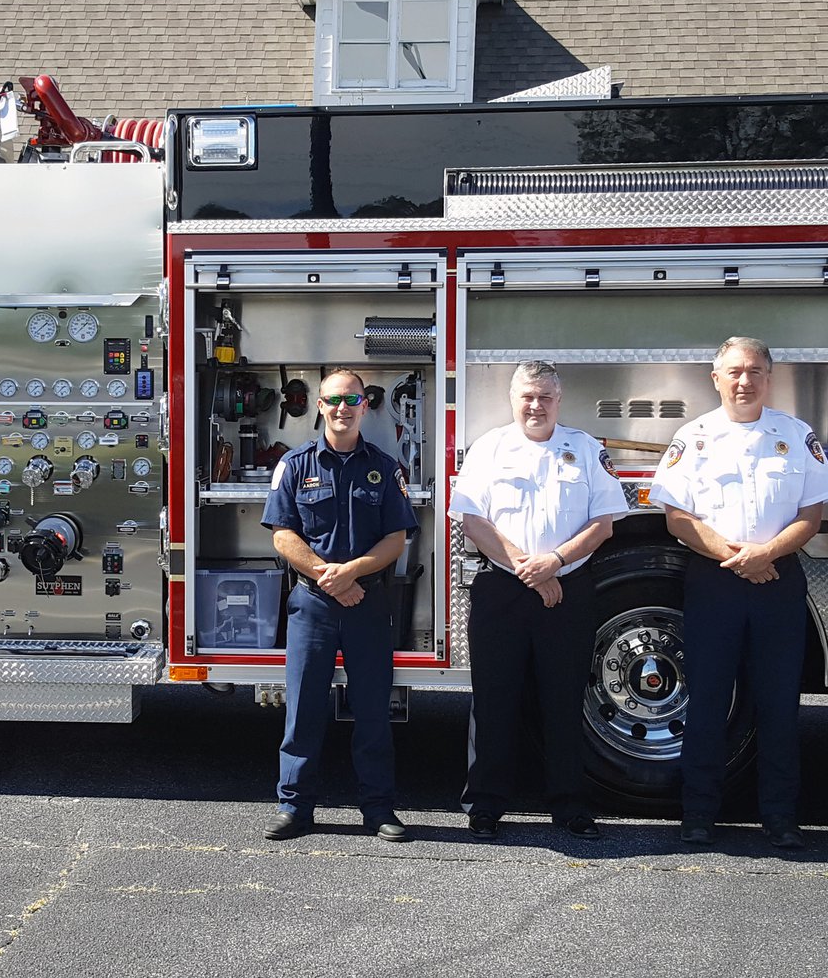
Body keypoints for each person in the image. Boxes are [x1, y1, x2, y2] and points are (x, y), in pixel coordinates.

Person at [649, 337, 828, 849]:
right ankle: (698, 815)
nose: (744, 380)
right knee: (708, 702)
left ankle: (780, 817)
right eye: (734, 371)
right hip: (715, 583)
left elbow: (812, 516)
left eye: (755, 371)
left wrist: (766, 555)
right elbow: (677, 518)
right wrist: (738, 559)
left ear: (768, 378)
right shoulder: (693, 437)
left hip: (778, 581)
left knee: (779, 705)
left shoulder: (796, 436)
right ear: (716, 378)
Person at [449, 360, 628, 841]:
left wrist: (553, 562)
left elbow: (605, 523)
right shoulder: (489, 448)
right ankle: (485, 804)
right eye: (528, 396)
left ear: (559, 399)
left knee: (563, 700)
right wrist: (528, 569)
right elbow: (472, 521)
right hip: (502, 590)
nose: (536, 405)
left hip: (565, 592)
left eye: (545, 397)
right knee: (493, 701)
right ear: (513, 399)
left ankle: (569, 805)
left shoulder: (586, 449)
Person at [259, 368, 420, 842]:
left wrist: (350, 573)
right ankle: (295, 809)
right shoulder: (294, 464)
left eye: (352, 399)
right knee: (303, 709)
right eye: (334, 400)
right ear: (319, 406)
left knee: (372, 711)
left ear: (364, 406)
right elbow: (283, 535)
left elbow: (396, 539)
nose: (343, 408)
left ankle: (378, 810)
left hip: (368, 602)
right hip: (312, 604)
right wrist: (329, 577)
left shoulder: (386, 467)